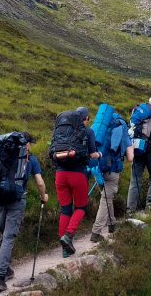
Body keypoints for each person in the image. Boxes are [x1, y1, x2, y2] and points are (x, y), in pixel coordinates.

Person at [0, 133, 48, 293]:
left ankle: (6, 269)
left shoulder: (3, 155)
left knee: (2, 232)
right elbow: (40, 182)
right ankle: (0, 277)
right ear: (26, 144)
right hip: (17, 199)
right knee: (8, 236)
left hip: (0, 197)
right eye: (30, 143)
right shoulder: (29, 159)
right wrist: (44, 197)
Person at [51, 107, 100, 258]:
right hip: (77, 174)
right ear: (85, 119)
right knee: (80, 207)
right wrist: (99, 154)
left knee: (65, 209)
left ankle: (64, 247)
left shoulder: (61, 130)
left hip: (60, 174)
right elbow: (92, 154)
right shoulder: (88, 131)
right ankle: (68, 236)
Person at [90, 105, 128, 243]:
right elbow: (128, 155)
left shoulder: (101, 128)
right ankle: (96, 232)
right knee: (105, 199)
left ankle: (112, 224)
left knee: (107, 195)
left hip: (97, 167)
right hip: (112, 168)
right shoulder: (121, 127)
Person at [126, 98, 151, 214]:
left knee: (135, 180)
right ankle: (150, 204)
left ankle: (130, 209)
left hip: (138, 150)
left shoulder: (139, 117)